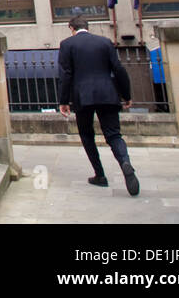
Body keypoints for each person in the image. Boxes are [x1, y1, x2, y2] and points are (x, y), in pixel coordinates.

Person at [58, 16, 139, 196]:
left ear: (71, 28)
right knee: (114, 135)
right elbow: (118, 69)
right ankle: (125, 162)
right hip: (107, 94)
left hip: (82, 96)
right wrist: (126, 95)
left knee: (87, 135)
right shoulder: (105, 42)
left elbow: (66, 74)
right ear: (87, 27)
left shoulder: (67, 44)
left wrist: (64, 101)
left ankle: (100, 175)